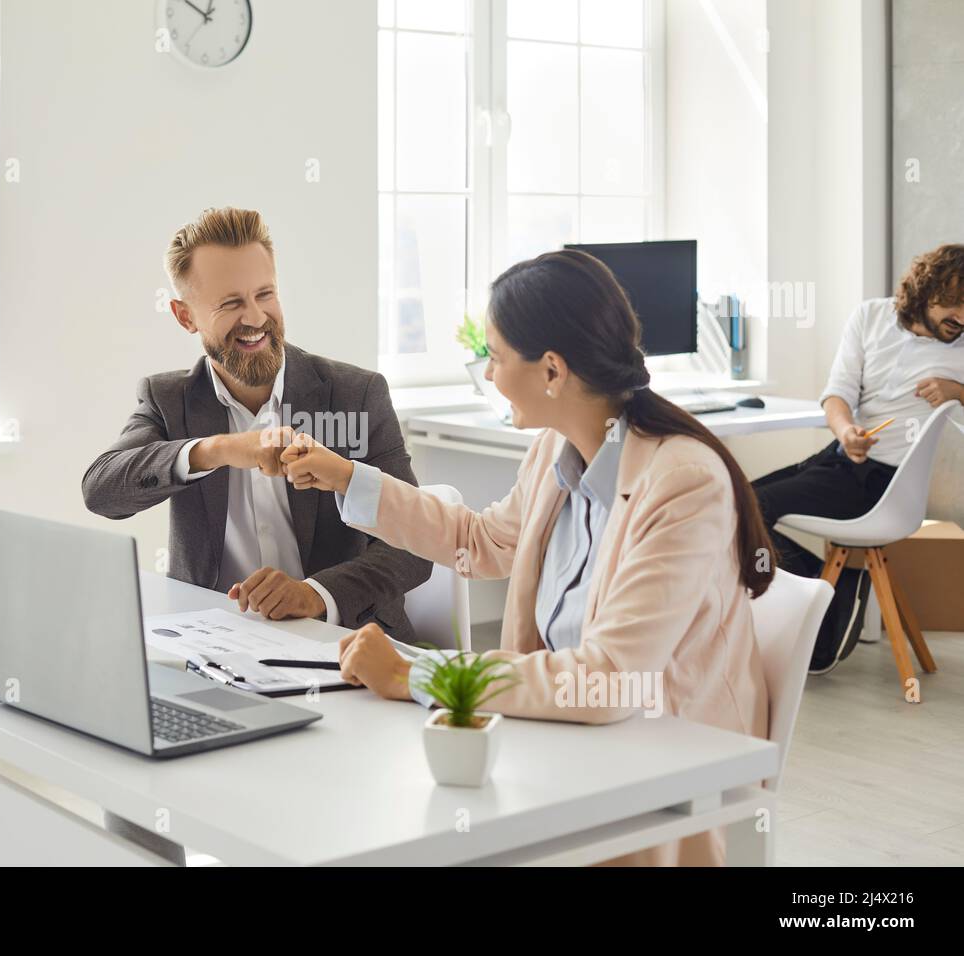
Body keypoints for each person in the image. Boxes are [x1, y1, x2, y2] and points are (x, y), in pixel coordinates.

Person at [280, 249, 776, 866]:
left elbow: (609, 682)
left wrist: (420, 677)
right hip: (564, 749)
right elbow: (483, 542)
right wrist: (346, 477)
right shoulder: (556, 450)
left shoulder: (682, 482)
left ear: (551, 371)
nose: (488, 373)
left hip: (660, 777)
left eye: (495, 355)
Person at [81, 207, 431, 639]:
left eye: (264, 294)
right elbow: (101, 491)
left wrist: (315, 595)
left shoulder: (355, 394)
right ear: (185, 316)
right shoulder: (169, 400)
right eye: (230, 303)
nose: (255, 318)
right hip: (214, 647)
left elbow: (414, 542)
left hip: (345, 643)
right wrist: (221, 449)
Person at [753, 243, 964, 674]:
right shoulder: (871, 316)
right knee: (739, 503)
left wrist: (959, 392)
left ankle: (829, 594)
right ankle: (831, 587)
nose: (962, 317)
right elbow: (837, 394)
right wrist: (846, 430)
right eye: (955, 303)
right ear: (927, 290)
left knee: (748, 509)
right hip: (841, 457)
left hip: (885, 483)